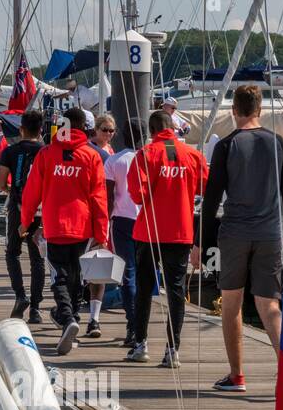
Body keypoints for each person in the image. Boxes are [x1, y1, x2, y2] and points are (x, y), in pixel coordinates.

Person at [193, 81, 283, 393]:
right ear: (259, 110)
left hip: (235, 233)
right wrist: (282, 233)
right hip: (269, 234)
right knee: (269, 306)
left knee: (232, 304)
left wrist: (202, 244)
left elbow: (211, 200)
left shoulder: (226, 146)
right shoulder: (277, 143)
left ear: (234, 110)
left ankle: (237, 376)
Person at [21, 105, 108, 355]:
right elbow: (99, 199)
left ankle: (68, 318)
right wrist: (101, 234)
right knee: (75, 276)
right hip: (82, 227)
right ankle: (73, 321)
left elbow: (31, 192)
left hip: (56, 225)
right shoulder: (91, 156)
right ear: (84, 128)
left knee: (58, 276)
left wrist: (25, 222)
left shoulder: (47, 154)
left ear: (62, 126)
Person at [126, 109, 208, 367]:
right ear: (172, 127)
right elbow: (205, 187)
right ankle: (173, 350)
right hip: (180, 232)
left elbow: (137, 196)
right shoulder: (193, 155)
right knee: (176, 290)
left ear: (151, 132)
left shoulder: (146, 155)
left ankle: (140, 345)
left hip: (149, 232)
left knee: (144, 289)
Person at [0, 107, 45, 324]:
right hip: (41, 210)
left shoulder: (10, 151)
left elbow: (0, 182)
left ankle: (20, 295)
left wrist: (11, 191)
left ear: (22, 129)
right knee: (37, 259)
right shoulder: (46, 152)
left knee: (13, 253)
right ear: (41, 129)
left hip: (18, 207)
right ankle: (36, 308)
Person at [104, 117, 144, 348]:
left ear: (122, 135)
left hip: (121, 221)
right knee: (144, 275)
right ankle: (141, 325)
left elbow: (109, 196)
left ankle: (132, 324)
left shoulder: (113, 161)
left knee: (128, 274)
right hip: (146, 221)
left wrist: (105, 222)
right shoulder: (149, 158)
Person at [83, 112, 116, 338]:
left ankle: (94, 318)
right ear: (95, 130)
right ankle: (72, 313)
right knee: (80, 268)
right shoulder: (89, 152)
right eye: (104, 129)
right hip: (87, 215)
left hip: (105, 216)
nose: (108, 134)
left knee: (99, 268)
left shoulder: (110, 152)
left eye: (111, 131)